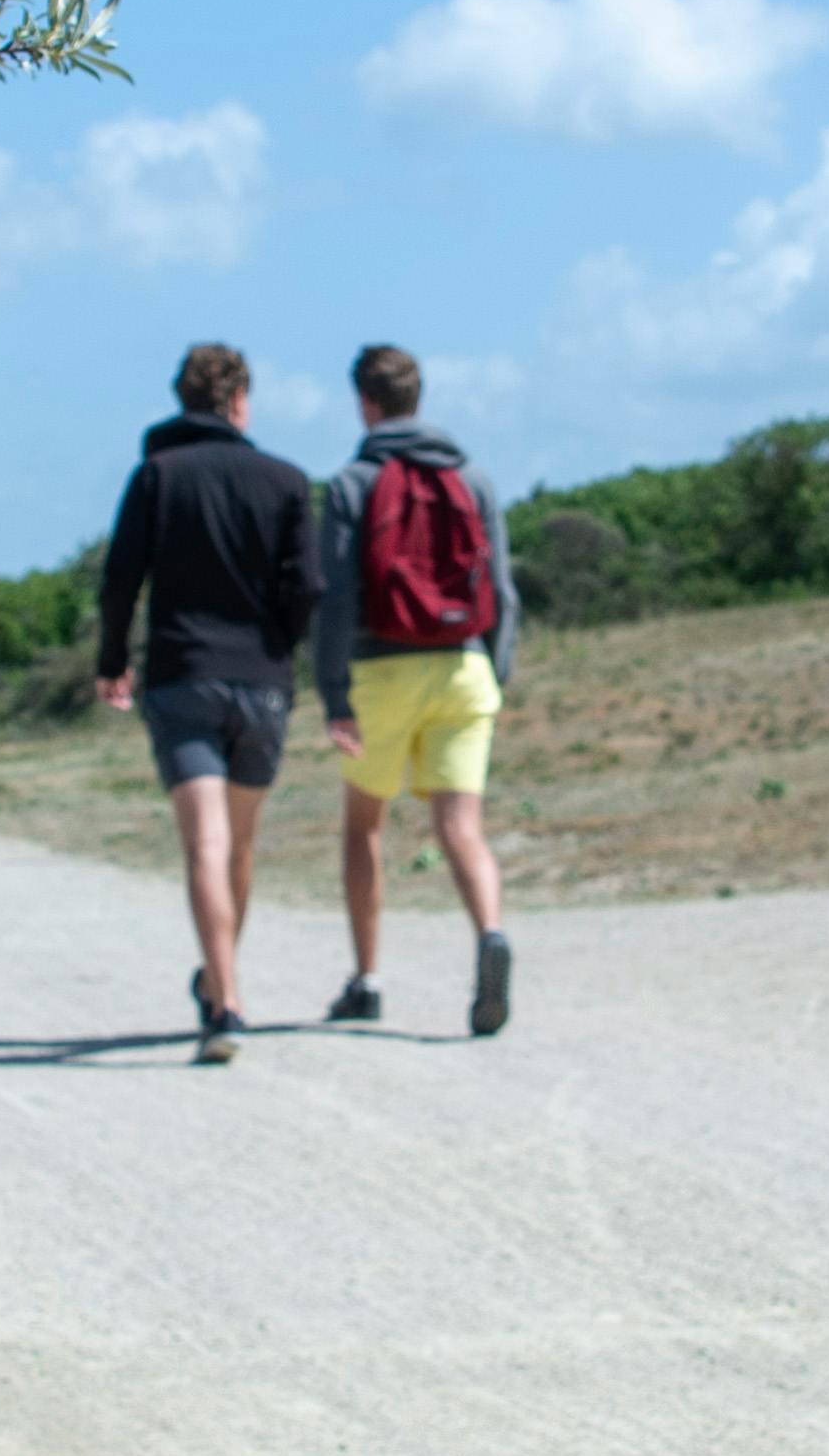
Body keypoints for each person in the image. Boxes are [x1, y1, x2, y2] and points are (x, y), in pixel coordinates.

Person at [91, 341, 320, 1060]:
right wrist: (278, 646)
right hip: (262, 684)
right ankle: (222, 984)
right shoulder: (285, 481)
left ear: (183, 400)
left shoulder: (156, 476)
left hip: (183, 676)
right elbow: (309, 585)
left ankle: (225, 1003)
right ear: (241, 401)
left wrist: (111, 662)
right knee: (240, 845)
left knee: (206, 846)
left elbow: (120, 580)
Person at [312, 343, 519, 1037]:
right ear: (418, 398)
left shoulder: (350, 483)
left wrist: (333, 691)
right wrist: (495, 673)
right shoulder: (475, 479)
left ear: (364, 402)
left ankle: (367, 979)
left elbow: (336, 598)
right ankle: (489, 932)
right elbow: (504, 593)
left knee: (364, 824)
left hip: (381, 672)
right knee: (462, 827)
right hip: (464, 667)